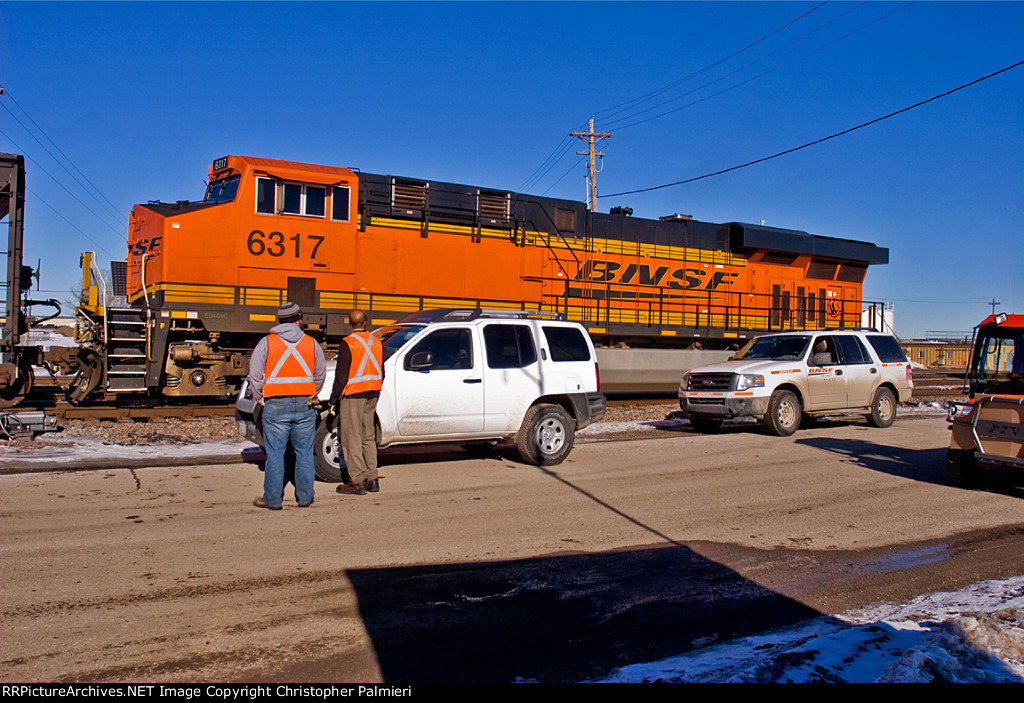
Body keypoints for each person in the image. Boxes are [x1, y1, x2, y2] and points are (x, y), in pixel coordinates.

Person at [248, 302, 326, 510]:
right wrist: (312, 393)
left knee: (275, 453)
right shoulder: (311, 343)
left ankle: (272, 499)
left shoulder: (266, 343)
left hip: (275, 405)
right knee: (304, 451)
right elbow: (320, 374)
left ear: (279, 321)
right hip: (304, 406)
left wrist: (260, 397)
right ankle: (305, 497)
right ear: (299, 319)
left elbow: (255, 375)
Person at [330, 309, 384, 495]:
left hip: (353, 395)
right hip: (372, 393)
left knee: (352, 438)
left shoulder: (348, 343)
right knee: (367, 436)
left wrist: (333, 398)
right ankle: (373, 478)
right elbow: (381, 370)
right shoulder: (376, 342)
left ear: (350, 324)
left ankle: (357, 482)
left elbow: (341, 375)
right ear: (366, 323)